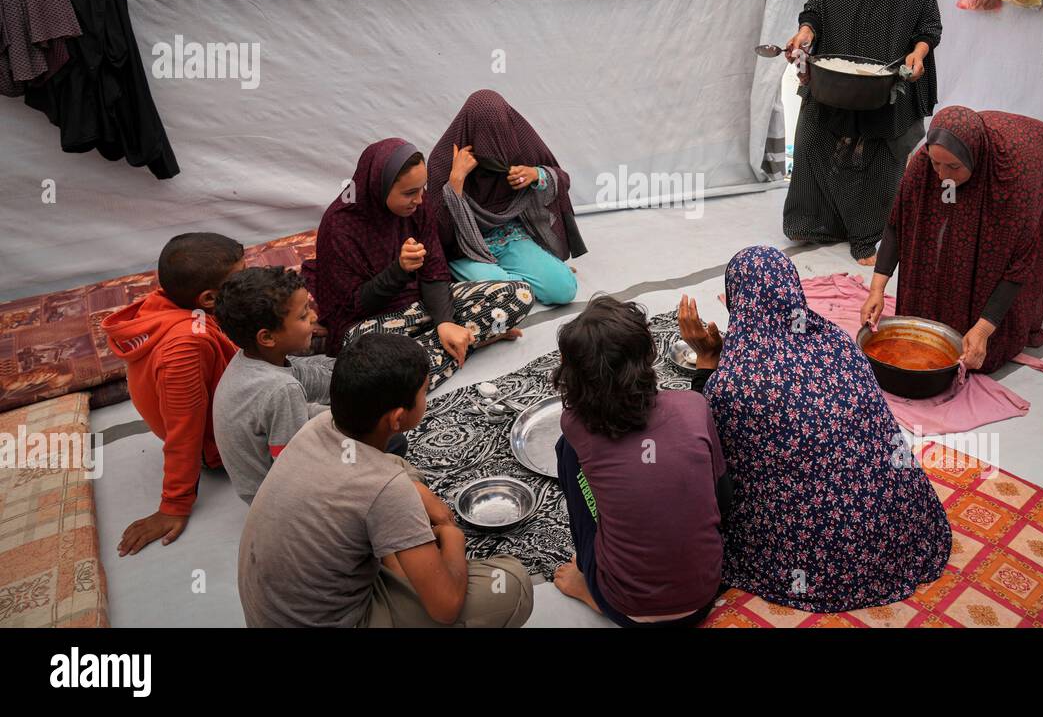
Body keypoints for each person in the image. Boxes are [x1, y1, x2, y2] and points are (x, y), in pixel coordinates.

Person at [678, 245, 951, 613]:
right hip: (899, 530)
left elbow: (703, 449)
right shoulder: (839, 341)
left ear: (735, 301)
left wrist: (708, 361)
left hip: (823, 558)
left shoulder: (732, 384)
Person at [237, 332, 533, 628]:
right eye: (424, 392)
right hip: (344, 619)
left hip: (273, 613)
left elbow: (384, 478)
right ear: (397, 418)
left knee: (399, 465)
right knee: (512, 585)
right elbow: (446, 607)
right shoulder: (386, 489)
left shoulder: (318, 426)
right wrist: (451, 534)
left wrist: (417, 493)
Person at [862, 106, 1043, 373]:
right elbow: (898, 224)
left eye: (953, 167)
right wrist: (877, 290)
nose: (943, 177)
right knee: (958, 239)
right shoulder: (926, 161)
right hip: (990, 153)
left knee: (1010, 256)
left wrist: (983, 329)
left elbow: (1018, 264)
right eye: (937, 164)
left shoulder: (1012, 180)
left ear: (974, 157)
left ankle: (1009, 328)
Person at [550, 296, 730, 627]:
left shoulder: (574, 425)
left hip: (623, 606)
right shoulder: (693, 406)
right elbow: (723, 498)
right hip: (705, 595)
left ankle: (589, 586)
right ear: (649, 357)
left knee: (566, 450)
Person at [782, 0, 942, 265]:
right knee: (812, 138)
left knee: (881, 154)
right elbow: (816, 11)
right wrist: (806, 31)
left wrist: (918, 54)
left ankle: (870, 235)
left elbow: (929, 27)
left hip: (886, 80)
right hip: (838, 80)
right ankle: (814, 222)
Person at [304, 138, 532, 391]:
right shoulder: (339, 227)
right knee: (362, 354)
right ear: (378, 187)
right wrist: (399, 271)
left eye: (422, 189)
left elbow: (435, 272)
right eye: (409, 193)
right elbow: (352, 308)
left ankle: (430, 357)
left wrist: (444, 321)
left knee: (518, 294)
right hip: (371, 324)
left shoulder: (418, 209)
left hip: (422, 308)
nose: (420, 200)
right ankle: (471, 341)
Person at [103, 233, 244, 555]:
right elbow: (184, 427)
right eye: (242, 277)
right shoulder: (185, 347)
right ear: (208, 299)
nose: (249, 280)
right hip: (222, 448)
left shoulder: (166, 304)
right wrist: (174, 505)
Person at [427, 90, 585, 305]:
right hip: (463, 248)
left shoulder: (519, 145)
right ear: (472, 131)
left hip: (509, 237)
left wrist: (535, 174)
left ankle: (510, 280)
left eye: (501, 134)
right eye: (487, 137)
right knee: (504, 291)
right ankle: (499, 279)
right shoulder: (443, 161)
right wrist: (455, 182)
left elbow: (562, 179)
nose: (497, 145)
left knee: (563, 289)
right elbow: (434, 231)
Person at [212, 266, 337, 503]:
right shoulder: (281, 389)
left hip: (258, 484)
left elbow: (315, 381)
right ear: (267, 337)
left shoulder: (247, 359)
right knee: (388, 446)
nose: (313, 317)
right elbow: (295, 469)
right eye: (302, 316)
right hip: (277, 498)